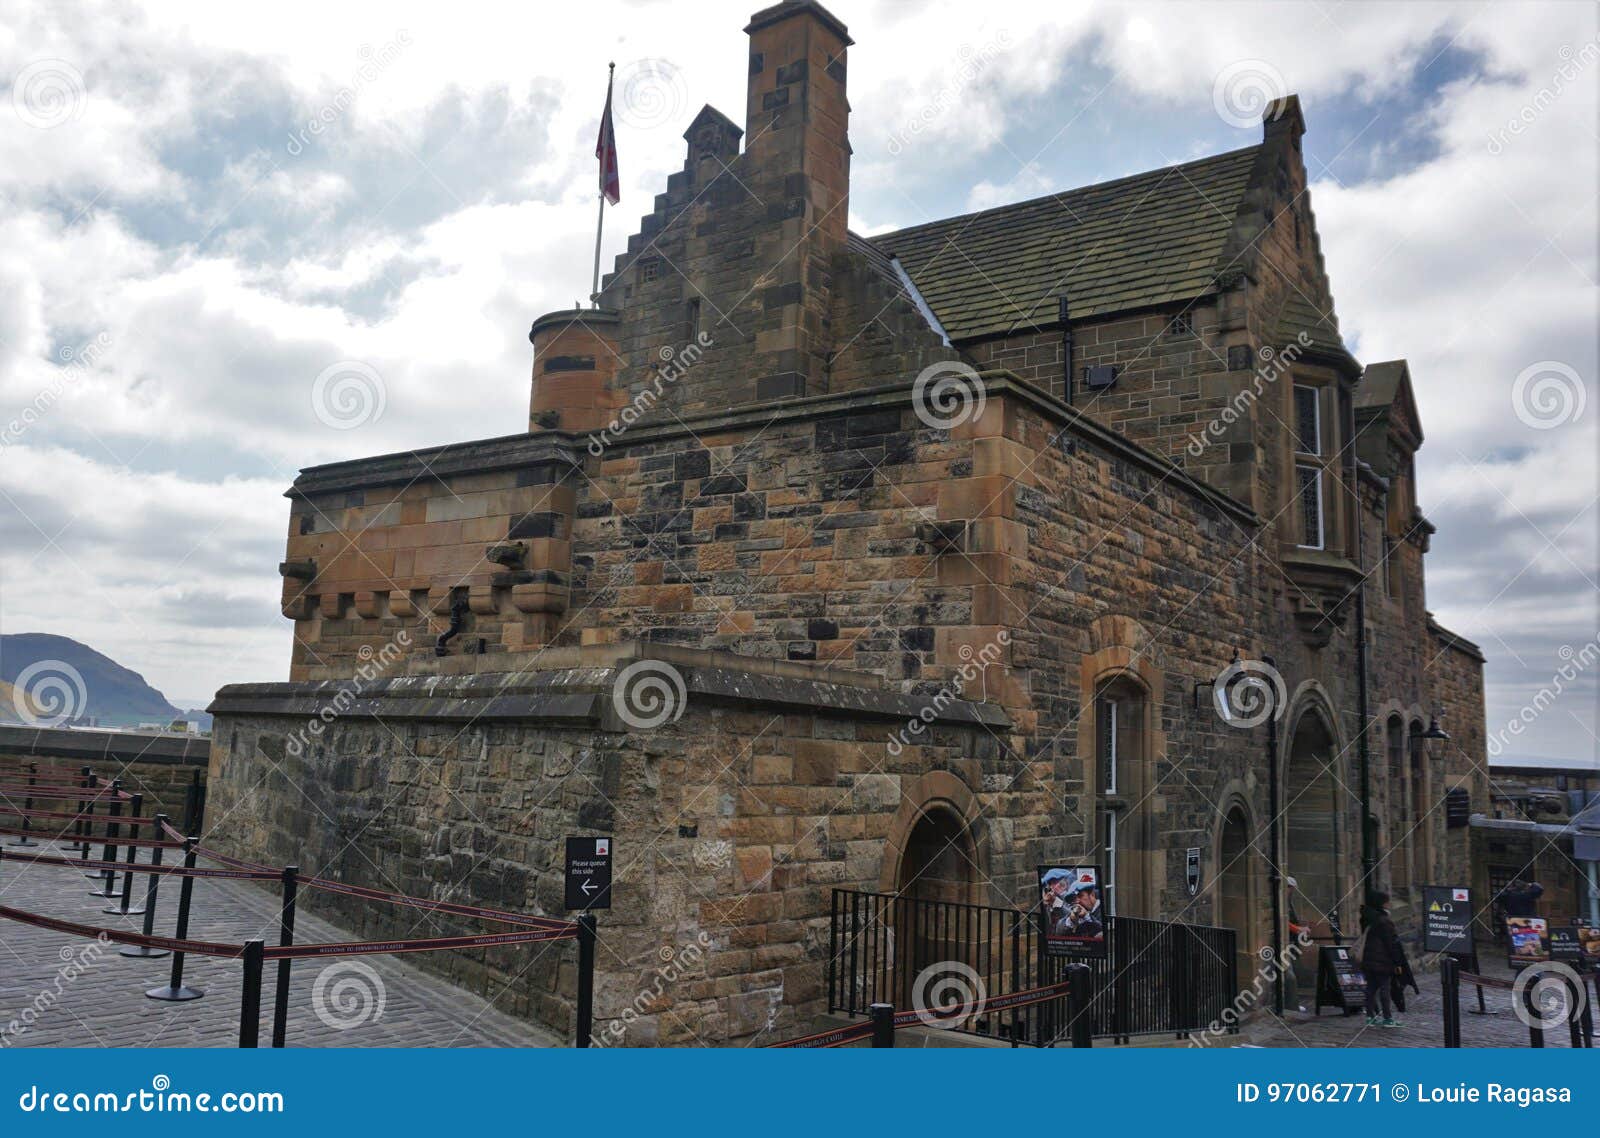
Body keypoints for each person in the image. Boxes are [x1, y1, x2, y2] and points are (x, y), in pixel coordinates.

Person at [1359, 891, 1407, 1028]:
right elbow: (1391, 944)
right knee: (1385, 989)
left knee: (1371, 988)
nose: (1389, 904)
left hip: (1368, 958)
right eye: (1386, 901)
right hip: (1382, 960)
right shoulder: (1384, 921)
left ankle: (1370, 1017)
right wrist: (1397, 962)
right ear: (1381, 903)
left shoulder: (1366, 917)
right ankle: (1387, 1018)